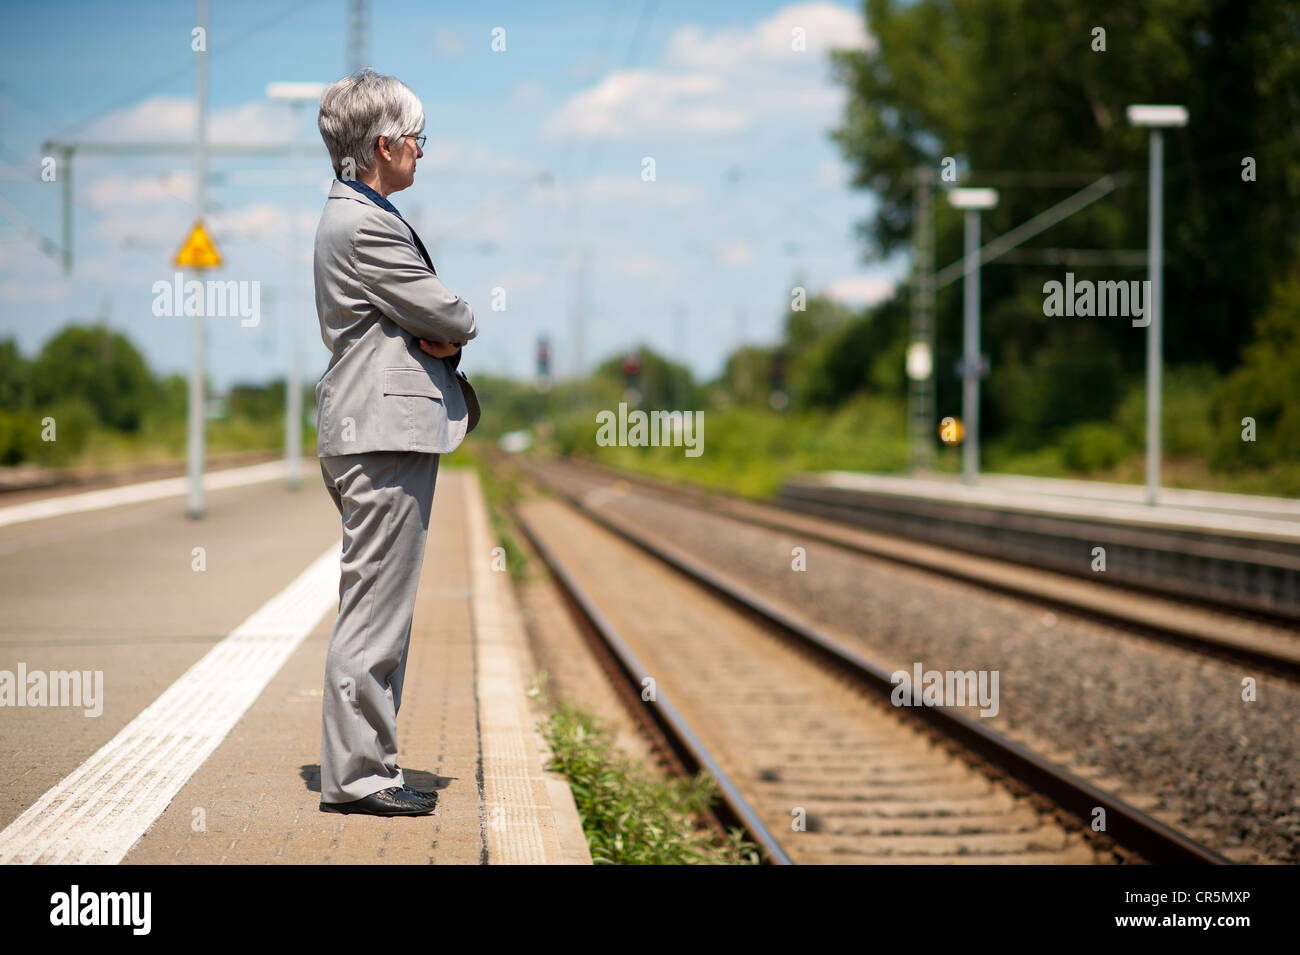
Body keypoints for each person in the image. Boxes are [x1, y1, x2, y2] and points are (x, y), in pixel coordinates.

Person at [312, 68, 478, 816]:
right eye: (416, 139)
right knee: (375, 609)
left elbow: (429, 321)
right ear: (383, 145)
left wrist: (434, 333)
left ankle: (369, 763)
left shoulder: (356, 215)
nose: (421, 152)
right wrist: (443, 333)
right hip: (380, 433)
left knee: (378, 605)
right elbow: (450, 313)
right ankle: (360, 775)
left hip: (376, 431)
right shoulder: (367, 223)